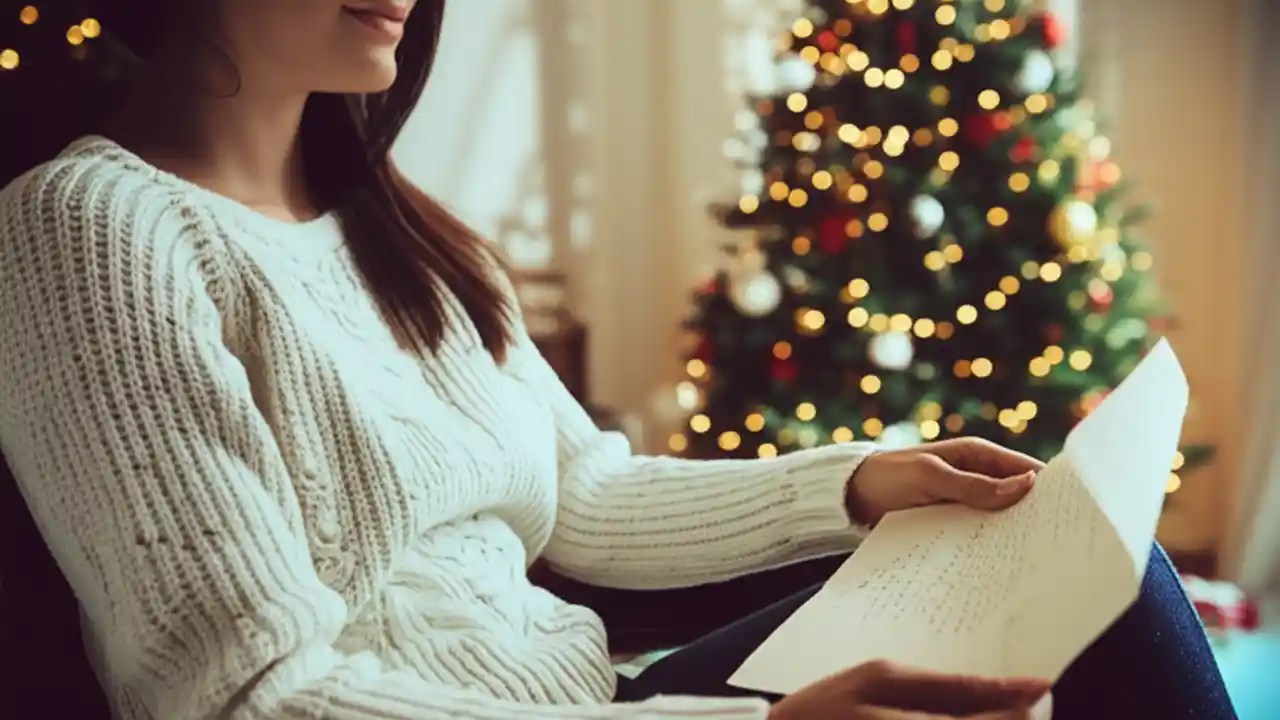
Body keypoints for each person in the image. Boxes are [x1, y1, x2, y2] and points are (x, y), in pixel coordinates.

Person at [0, 1, 1235, 719]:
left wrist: (859, 481)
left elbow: (585, 498)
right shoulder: (94, 229)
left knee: (1101, 566)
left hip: (596, 700)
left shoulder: (403, 229)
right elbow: (249, 695)